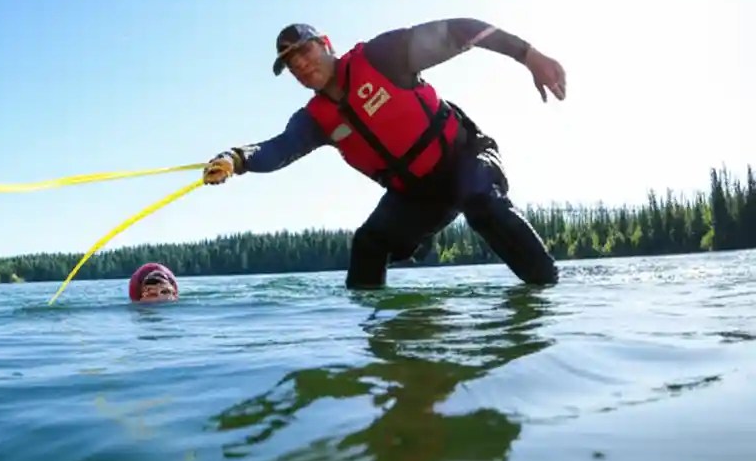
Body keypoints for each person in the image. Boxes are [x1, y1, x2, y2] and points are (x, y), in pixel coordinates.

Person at [201, 18, 565, 289]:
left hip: (464, 156)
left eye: (304, 51)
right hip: (418, 195)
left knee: (480, 202)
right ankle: (378, 340)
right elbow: (278, 149)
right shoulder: (315, 120)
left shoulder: (382, 56)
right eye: (290, 64)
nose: (300, 65)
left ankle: (548, 290)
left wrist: (528, 55)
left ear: (326, 43)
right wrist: (235, 159)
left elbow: (461, 31)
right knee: (368, 243)